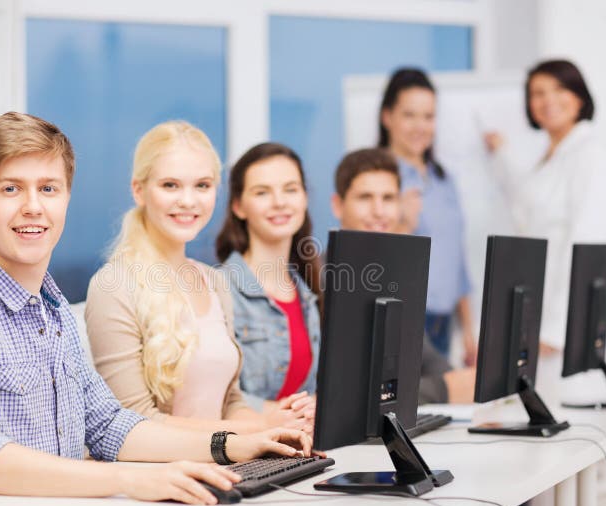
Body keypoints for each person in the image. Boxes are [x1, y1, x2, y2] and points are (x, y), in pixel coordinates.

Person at [0, 112, 312, 506]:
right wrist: (131, 480)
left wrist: (232, 445)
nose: (33, 207)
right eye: (11, 189)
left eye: (48, 189)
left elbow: (109, 424)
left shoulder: (51, 307)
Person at [85, 122, 314, 435]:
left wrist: (279, 427)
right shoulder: (113, 286)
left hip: (225, 459)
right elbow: (133, 422)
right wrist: (259, 429)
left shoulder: (213, 281)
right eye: (170, 185)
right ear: (139, 190)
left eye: (202, 186)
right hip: (161, 466)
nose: (188, 201)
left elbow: (230, 403)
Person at [484, 59, 606, 354]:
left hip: (563, 329)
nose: (548, 101)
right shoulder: (549, 158)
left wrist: (556, 332)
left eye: (559, 89)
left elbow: (587, 244)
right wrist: (501, 153)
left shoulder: (590, 156)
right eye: (538, 93)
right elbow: (527, 201)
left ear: (579, 97)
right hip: (536, 311)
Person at [330, 147, 475, 404]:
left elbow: (428, 360)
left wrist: (463, 381)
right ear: (338, 206)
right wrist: (445, 389)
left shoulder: (392, 280)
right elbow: (348, 393)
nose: (379, 211)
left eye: (388, 198)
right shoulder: (320, 279)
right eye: (365, 198)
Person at [379, 68, 477, 366]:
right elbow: (369, 259)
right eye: (409, 115)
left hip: (443, 324)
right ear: (387, 117)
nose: (420, 126)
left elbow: (456, 257)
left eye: (428, 116)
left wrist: (469, 331)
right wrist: (403, 223)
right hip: (402, 317)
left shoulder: (443, 179)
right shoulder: (379, 179)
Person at [214, 143, 321, 416]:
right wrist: (281, 414)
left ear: (305, 198)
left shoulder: (308, 292)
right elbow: (214, 396)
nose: (279, 202)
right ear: (238, 206)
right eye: (262, 192)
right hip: (247, 439)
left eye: (290, 189)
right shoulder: (218, 289)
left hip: (300, 440)